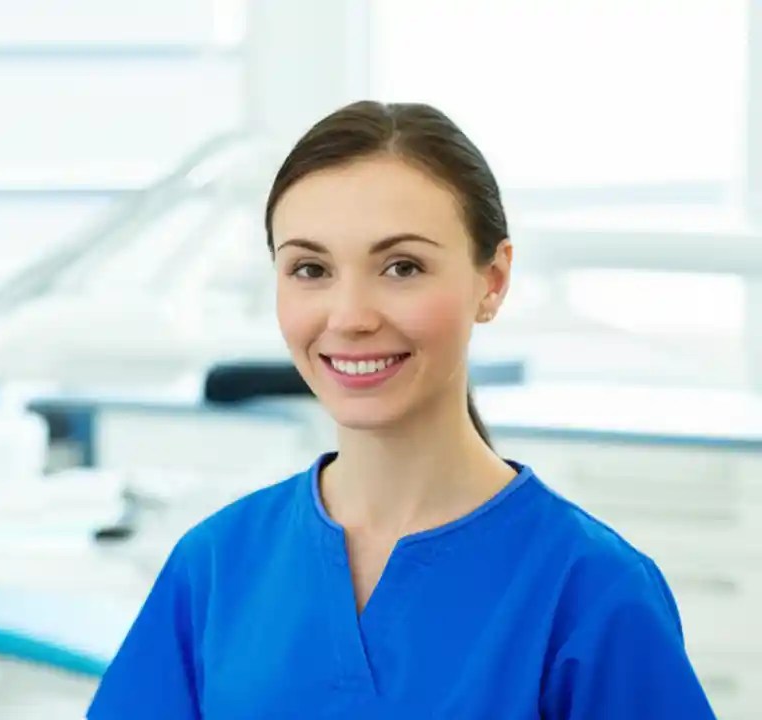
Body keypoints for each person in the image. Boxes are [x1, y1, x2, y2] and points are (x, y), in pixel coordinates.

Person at [86, 101, 716, 718]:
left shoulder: (591, 593)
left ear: (492, 281)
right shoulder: (218, 567)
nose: (351, 316)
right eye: (310, 269)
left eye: (402, 267)